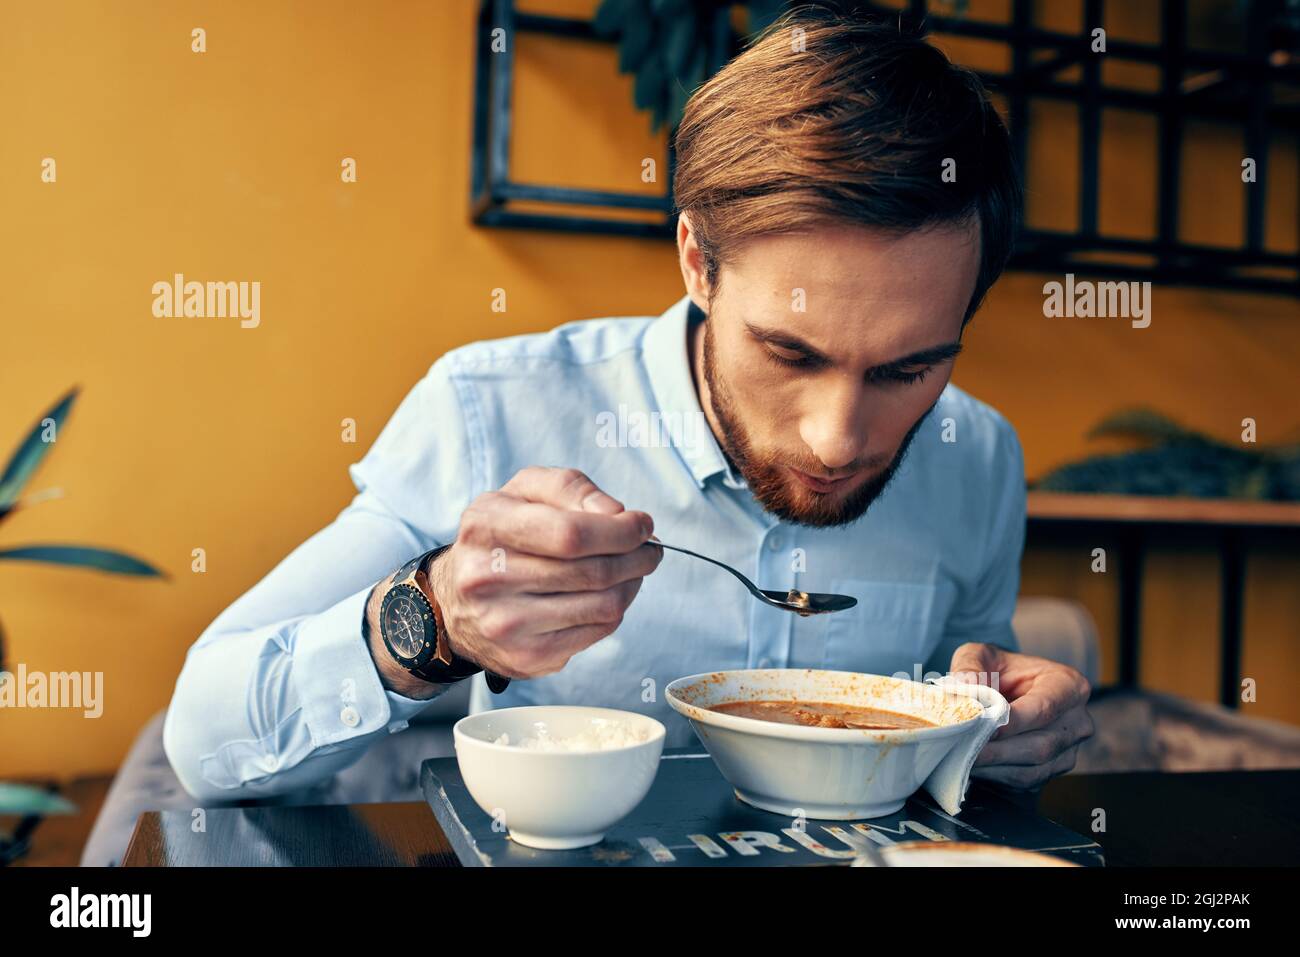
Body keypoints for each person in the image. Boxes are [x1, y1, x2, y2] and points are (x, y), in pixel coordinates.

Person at [164, 4, 1092, 805]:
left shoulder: (980, 456)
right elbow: (204, 743)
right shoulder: (491, 410)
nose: (837, 437)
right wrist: (436, 616)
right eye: (788, 353)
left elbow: (969, 704)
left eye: (906, 371)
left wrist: (1003, 730)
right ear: (697, 260)